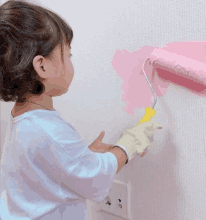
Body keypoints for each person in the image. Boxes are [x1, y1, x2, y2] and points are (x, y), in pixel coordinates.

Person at [0, 1, 162, 219]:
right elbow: (95, 176)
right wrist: (129, 145)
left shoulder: (23, 119)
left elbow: (48, 167)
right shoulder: (48, 130)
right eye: (68, 55)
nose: (70, 62)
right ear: (42, 66)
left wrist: (83, 156)